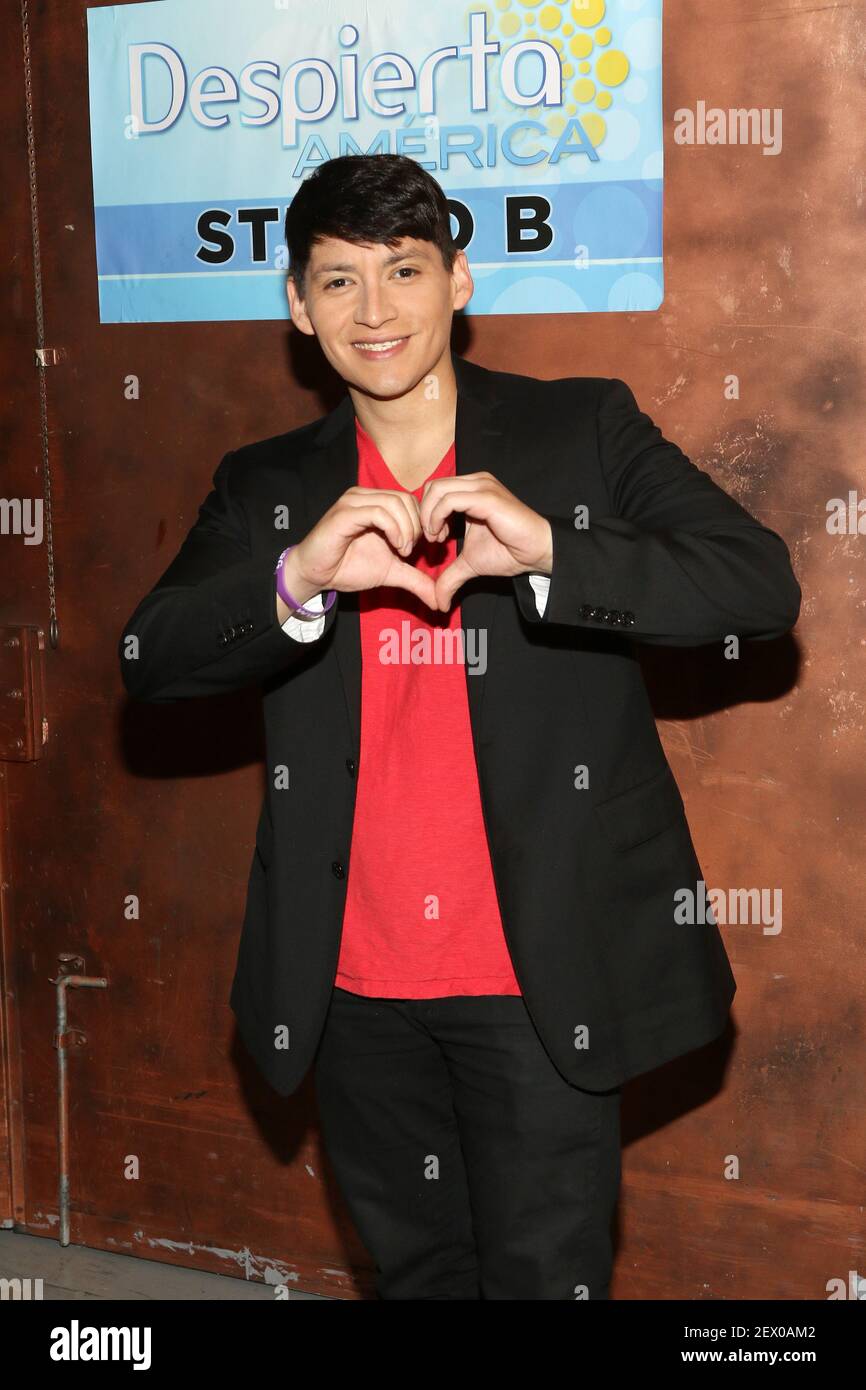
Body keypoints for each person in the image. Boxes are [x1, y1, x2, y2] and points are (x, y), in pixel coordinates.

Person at [119, 153, 801, 1300]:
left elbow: (756, 586)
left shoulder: (576, 429)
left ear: (459, 282)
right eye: (336, 281)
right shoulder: (266, 486)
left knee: (544, 1276)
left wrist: (548, 551)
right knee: (415, 1274)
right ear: (296, 306)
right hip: (349, 979)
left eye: (402, 270)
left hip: (536, 973)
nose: (373, 309)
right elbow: (150, 659)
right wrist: (292, 578)